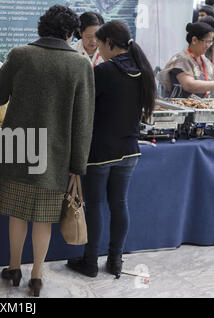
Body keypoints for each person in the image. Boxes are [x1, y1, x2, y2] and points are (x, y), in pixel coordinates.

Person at [0, 5, 95, 297]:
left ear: (42, 26)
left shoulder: (20, 55)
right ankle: (37, 276)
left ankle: (14, 268)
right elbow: (83, 120)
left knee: (17, 213)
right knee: (43, 217)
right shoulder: (81, 64)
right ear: (70, 33)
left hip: (19, 146)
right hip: (54, 154)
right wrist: (78, 163)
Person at [67, 20, 156, 279]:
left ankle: (90, 261)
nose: (98, 48)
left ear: (109, 43)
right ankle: (115, 260)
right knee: (119, 204)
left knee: (94, 205)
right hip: (130, 149)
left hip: (100, 151)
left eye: (100, 43)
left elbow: (83, 106)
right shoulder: (142, 70)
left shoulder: (104, 71)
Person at [158, 22, 214, 98]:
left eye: (211, 42)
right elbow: (189, 85)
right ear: (194, 40)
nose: (209, 46)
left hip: (203, 107)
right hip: (182, 107)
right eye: (207, 42)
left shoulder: (205, 60)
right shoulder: (181, 59)